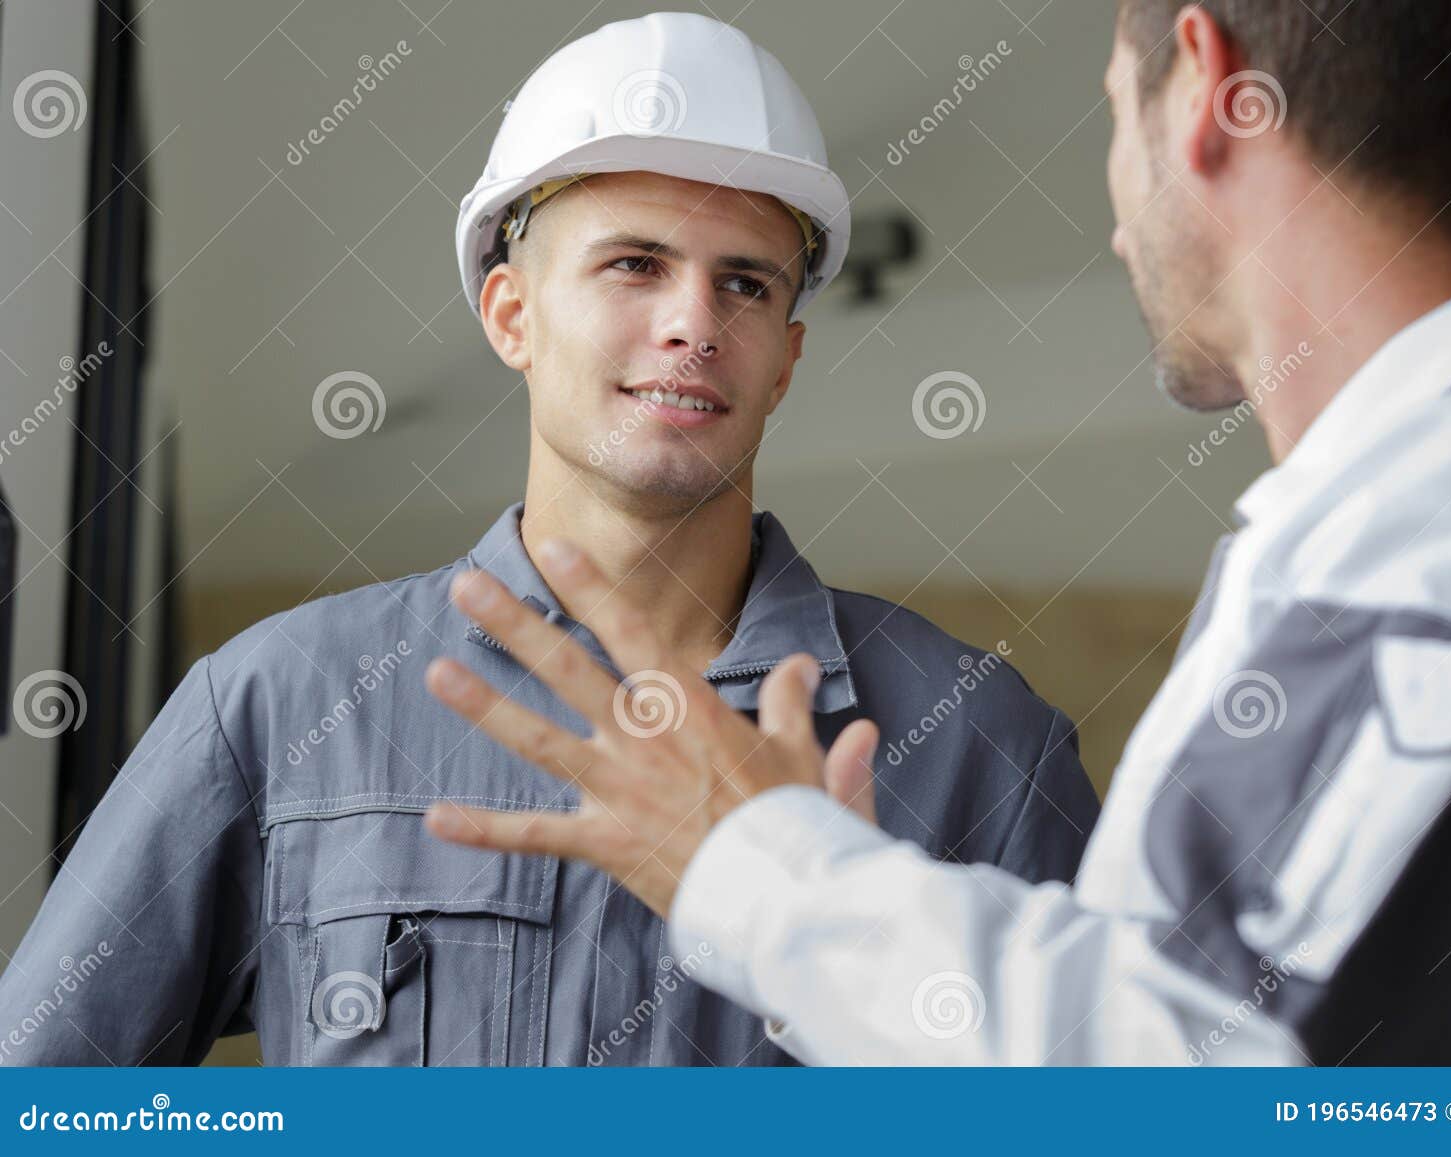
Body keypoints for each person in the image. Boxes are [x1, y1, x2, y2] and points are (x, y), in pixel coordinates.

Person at [425, 0, 1451, 1064]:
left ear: (1203, 87)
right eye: (632, 263)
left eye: (1109, 115)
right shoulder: (1446, 514)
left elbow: (1222, 1090)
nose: (1117, 227)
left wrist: (767, 875)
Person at [0, 12, 1099, 1066]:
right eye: (633, 263)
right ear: (511, 314)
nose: (693, 323)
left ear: (786, 354)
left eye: (745, 282)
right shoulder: (279, 707)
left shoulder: (979, 746)